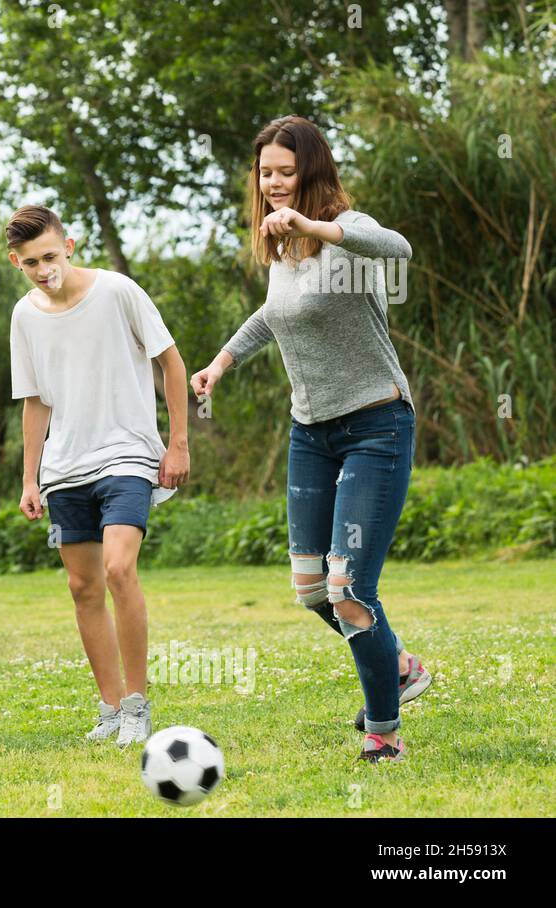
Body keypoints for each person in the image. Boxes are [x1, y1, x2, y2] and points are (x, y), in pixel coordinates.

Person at [191, 114, 430, 764]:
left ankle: (384, 733)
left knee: (349, 586)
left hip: (376, 426)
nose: (273, 183)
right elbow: (275, 314)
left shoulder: (345, 235)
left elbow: (398, 247)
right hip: (311, 433)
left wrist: (311, 226)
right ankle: (399, 666)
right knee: (312, 590)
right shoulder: (279, 250)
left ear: (312, 173)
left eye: (286, 172)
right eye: (265, 172)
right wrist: (221, 363)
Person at [7, 204, 189, 748]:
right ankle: (109, 709)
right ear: (17, 262)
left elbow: (171, 362)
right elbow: (35, 402)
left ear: (70, 245)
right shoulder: (25, 316)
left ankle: (137, 705)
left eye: (50, 255)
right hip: (65, 469)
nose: (44, 269)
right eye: (31, 262)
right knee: (83, 586)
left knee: (117, 569)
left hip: (128, 455)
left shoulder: (117, 292)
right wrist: (29, 478)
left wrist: (177, 442)